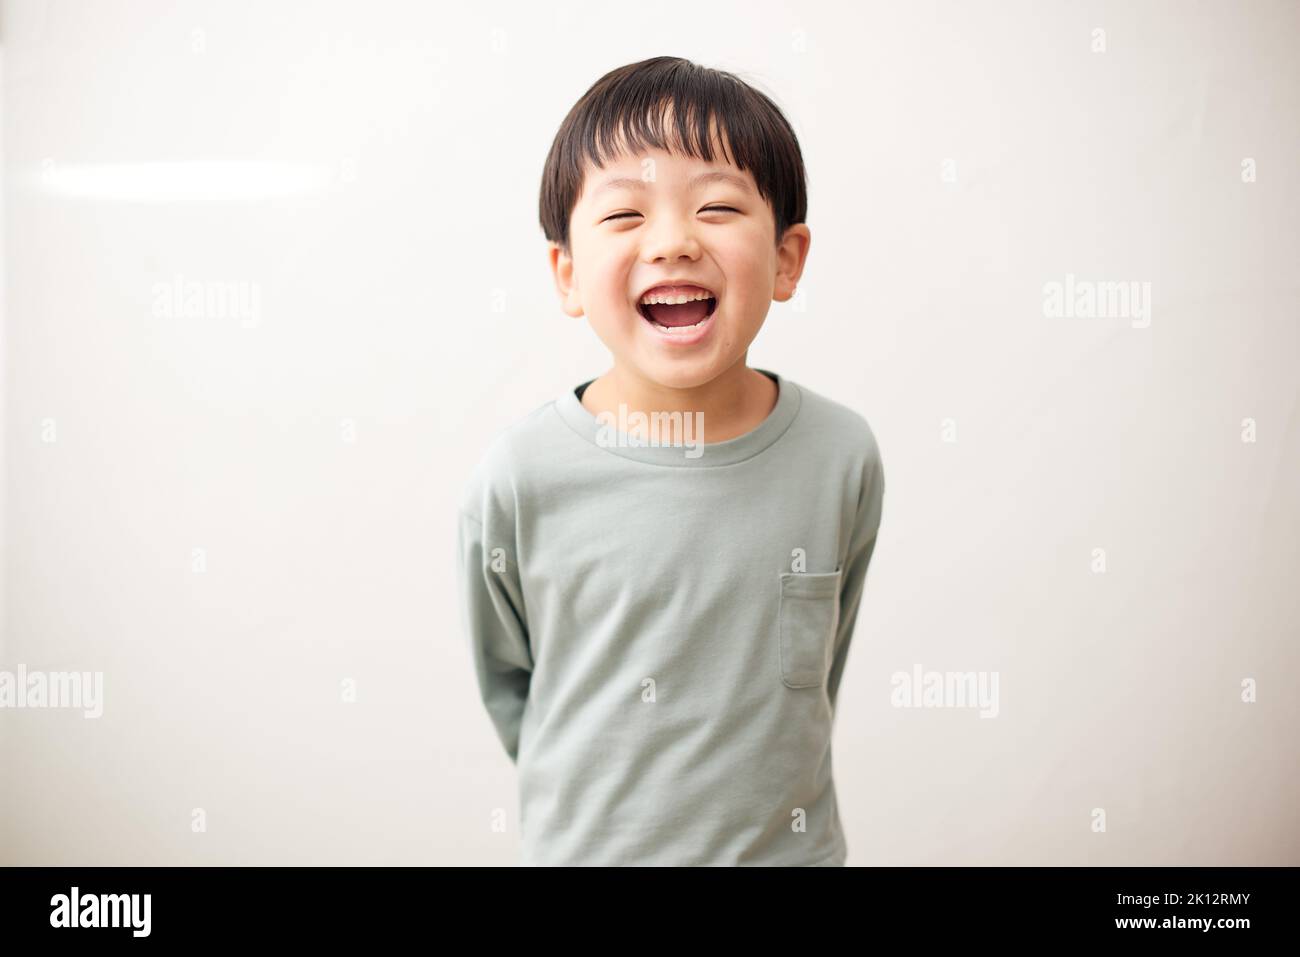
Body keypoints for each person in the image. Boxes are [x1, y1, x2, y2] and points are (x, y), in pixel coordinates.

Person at [456, 56, 885, 866]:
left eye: (718, 206)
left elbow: (818, 676)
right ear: (569, 273)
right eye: (625, 216)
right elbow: (513, 689)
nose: (675, 242)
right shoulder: (520, 476)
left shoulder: (841, 456)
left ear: (788, 258)